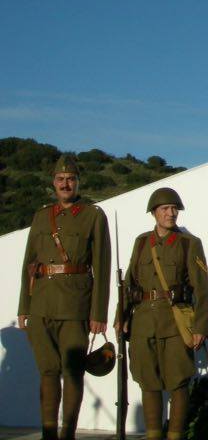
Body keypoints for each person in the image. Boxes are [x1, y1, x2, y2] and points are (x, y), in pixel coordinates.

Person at [17, 154, 111, 440]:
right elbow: (29, 264)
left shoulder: (93, 215)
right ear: (53, 183)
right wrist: (24, 307)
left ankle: (67, 432)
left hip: (75, 305)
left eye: (71, 179)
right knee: (47, 372)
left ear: (78, 182)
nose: (65, 184)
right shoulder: (41, 216)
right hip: (42, 304)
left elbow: (102, 265)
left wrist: (98, 313)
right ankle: (48, 433)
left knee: (72, 372)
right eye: (60, 179)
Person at [116, 188, 208, 440]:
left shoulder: (189, 243)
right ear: (154, 213)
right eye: (165, 209)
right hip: (144, 321)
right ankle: (153, 435)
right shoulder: (141, 242)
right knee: (148, 382)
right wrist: (121, 317)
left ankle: (175, 435)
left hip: (175, 321)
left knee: (178, 382)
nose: (171, 213)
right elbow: (129, 282)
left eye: (174, 208)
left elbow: (202, 289)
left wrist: (200, 326)